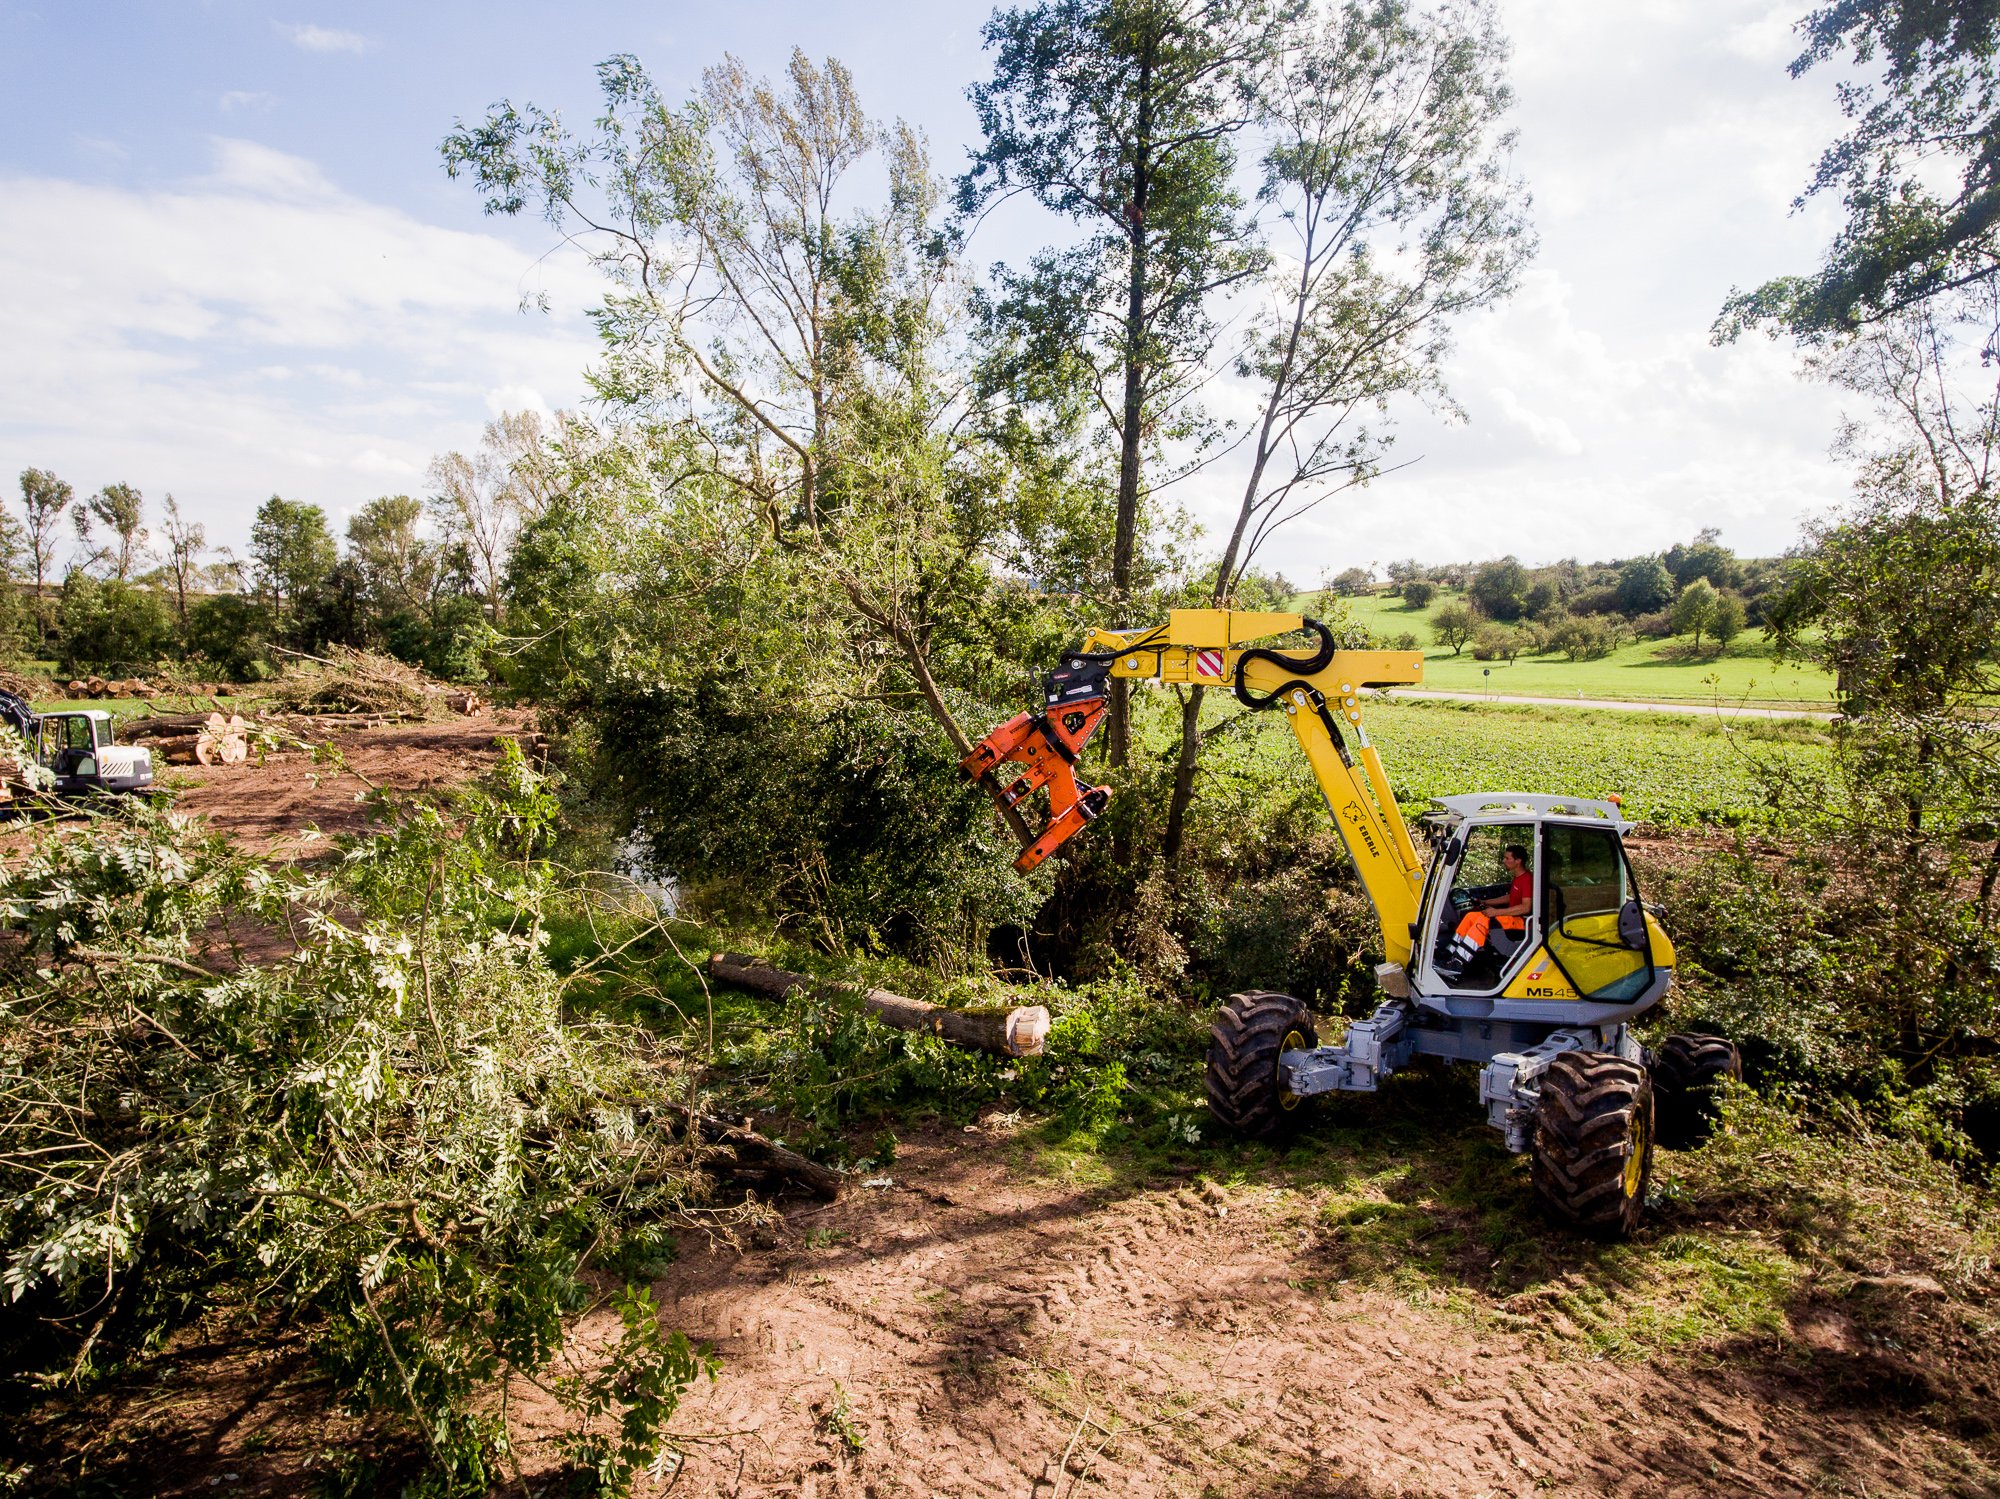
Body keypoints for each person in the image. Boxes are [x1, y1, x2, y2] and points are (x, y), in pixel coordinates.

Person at [1440, 843, 1533, 978]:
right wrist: (1486, 902)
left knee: (1483, 919)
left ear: (1518, 861)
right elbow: (1510, 897)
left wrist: (1496, 912)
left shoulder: (1527, 879)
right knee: (1472, 916)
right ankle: (1449, 952)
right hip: (1511, 918)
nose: (1504, 861)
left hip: (1520, 922)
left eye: (1507, 858)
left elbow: (1526, 907)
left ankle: (1458, 963)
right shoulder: (1518, 878)